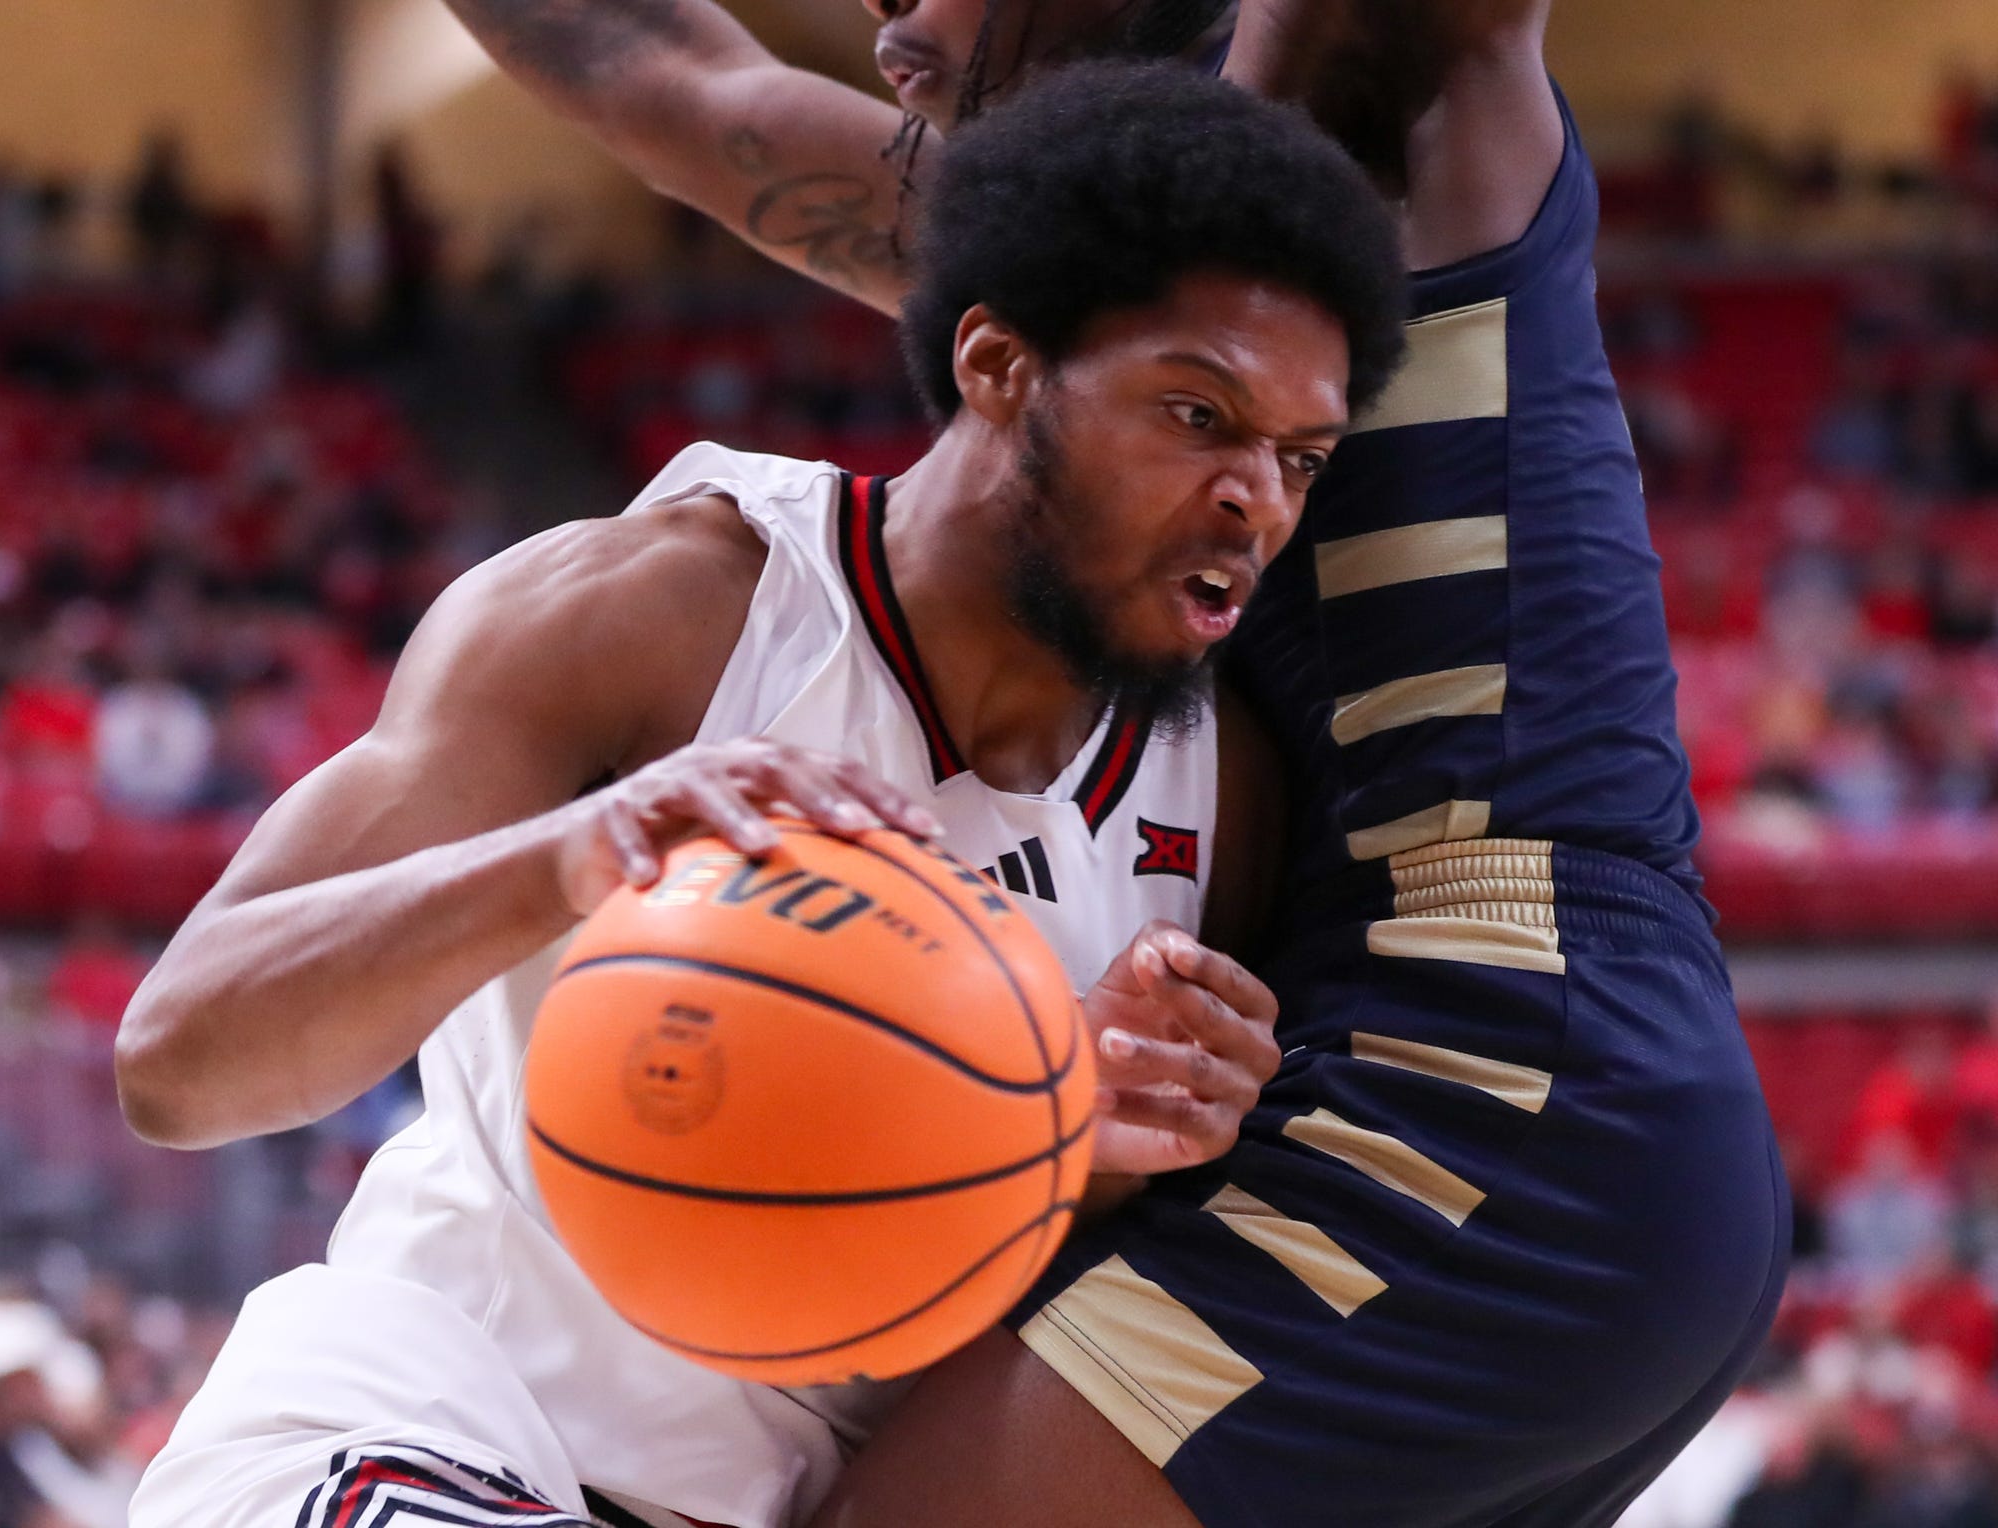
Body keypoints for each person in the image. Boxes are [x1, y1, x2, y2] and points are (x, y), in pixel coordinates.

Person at [433, 2, 1791, 1526]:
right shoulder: (1098, 245)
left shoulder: (1378, 89)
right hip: (1475, 1081)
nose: (880, 8)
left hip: (1494, 1057)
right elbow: (670, 79)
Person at [119, 64, 1407, 1528]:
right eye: (1197, 413)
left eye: (1296, 456)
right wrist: (565, 860)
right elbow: (180, 1059)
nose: (1258, 498)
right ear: (996, 366)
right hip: (430, 1424)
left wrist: (1078, 1158)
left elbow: (995, 1321)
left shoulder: (1221, 794)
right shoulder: (665, 610)